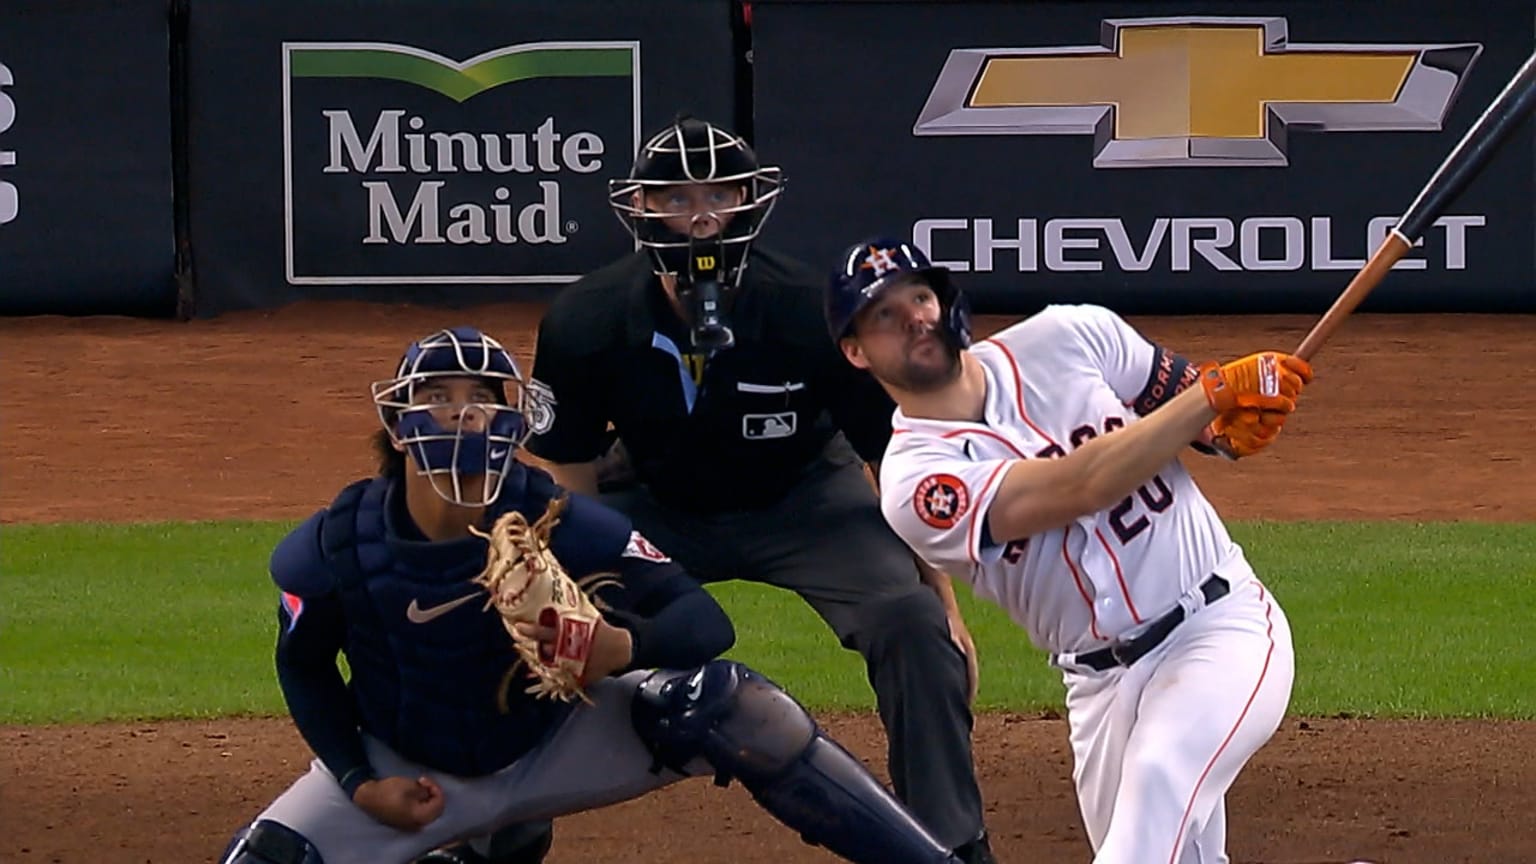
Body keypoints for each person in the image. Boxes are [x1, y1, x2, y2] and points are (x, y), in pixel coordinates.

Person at [218, 326, 972, 864]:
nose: (464, 413)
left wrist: (624, 645)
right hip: (411, 775)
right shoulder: (332, 546)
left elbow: (703, 621)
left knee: (737, 707)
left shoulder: (556, 516)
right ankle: (481, 850)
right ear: (399, 422)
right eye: (439, 398)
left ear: (513, 420)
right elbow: (306, 668)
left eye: (481, 397)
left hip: (556, 745)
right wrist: (360, 782)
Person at [519, 116, 995, 862]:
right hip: (654, 501)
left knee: (909, 621)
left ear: (750, 201)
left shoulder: (810, 307)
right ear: (641, 208)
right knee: (530, 629)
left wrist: (943, 607)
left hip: (806, 499)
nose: (701, 215)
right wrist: (566, 593)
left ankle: (950, 844)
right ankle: (503, 837)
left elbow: (893, 456)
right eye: (676, 196)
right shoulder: (587, 318)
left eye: (719, 193)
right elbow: (571, 474)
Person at [822, 237, 1314, 864]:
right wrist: (1212, 397)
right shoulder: (918, 484)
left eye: (920, 296)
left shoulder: (1072, 336)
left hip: (1219, 628)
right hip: (1098, 688)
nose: (915, 317)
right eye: (884, 314)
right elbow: (1081, 485)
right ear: (856, 352)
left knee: (1155, 796)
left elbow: (1192, 409)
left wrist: (1227, 425)